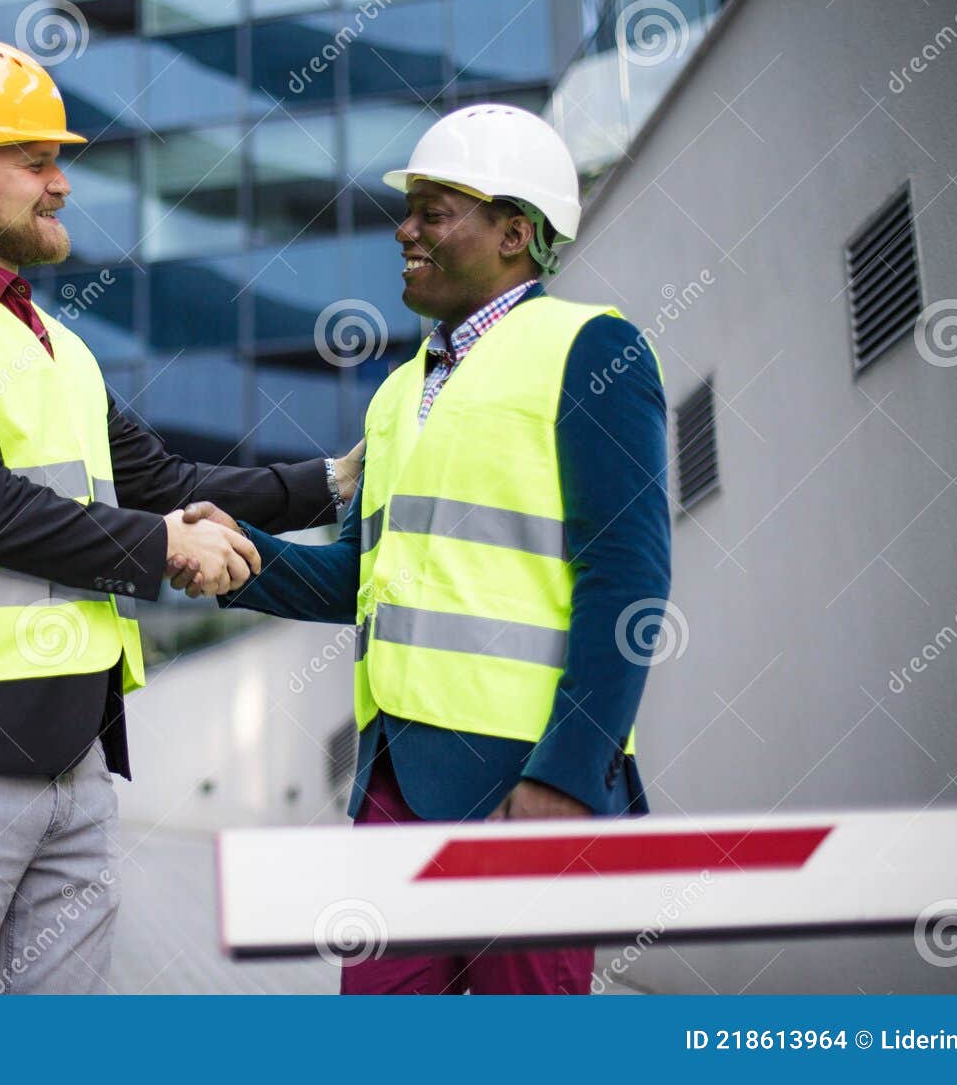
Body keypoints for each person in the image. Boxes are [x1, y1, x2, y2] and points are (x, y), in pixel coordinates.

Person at [0, 38, 363, 994]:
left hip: (77, 765)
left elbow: (160, 478)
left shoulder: (58, 345)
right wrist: (164, 546)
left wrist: (332, 480)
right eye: (33, 161)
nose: (60, 183)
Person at [178, 104, 672, 995]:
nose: (404, 229)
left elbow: (628, 579)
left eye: (435, 211)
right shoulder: (398, 395)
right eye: (410, 209)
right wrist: (242, 555)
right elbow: (371, 578)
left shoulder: (591, 348)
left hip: (528, 788)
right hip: (396, 783)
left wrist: (566, 773)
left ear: (515, 232)